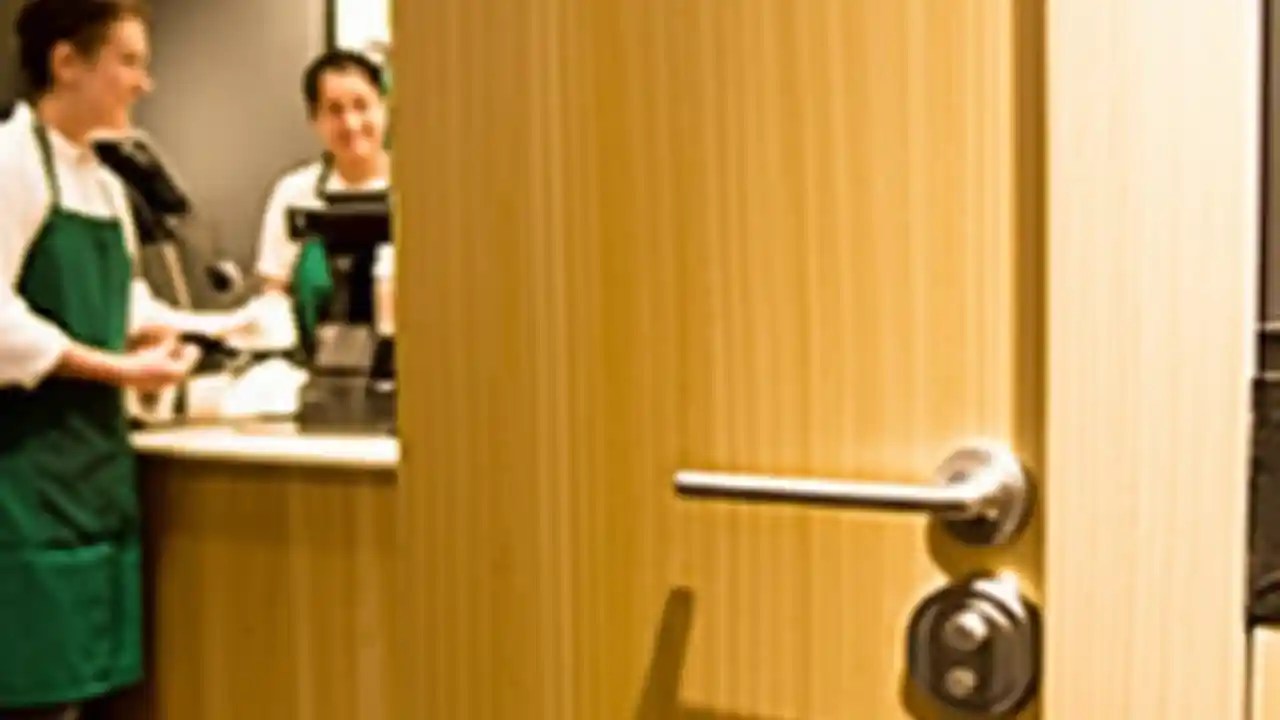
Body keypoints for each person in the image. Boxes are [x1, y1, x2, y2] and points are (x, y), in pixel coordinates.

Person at [0, 2, 242, 717]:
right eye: (129, 61)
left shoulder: (105, 185)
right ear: (66, 62)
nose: (146, 83)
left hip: (92, 478)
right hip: (24, 483)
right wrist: (120, 372)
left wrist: (215, 326)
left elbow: (122, 304)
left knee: (86, 696)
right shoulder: (11, 166)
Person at [254, 49, 392, 352]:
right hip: (314, 365)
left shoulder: (422, 190)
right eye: (335, 110)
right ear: (314, 120)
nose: (351, 123)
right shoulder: (294, 192)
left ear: (383, 107)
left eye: (361, 106)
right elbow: (274, 290)